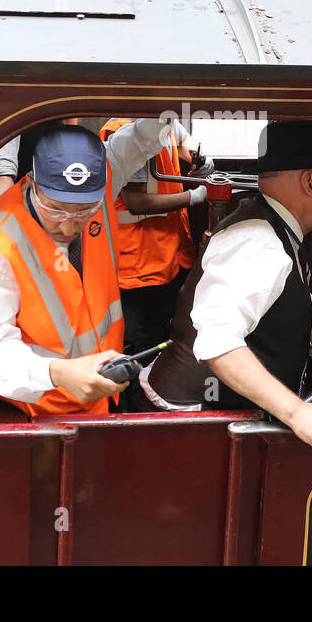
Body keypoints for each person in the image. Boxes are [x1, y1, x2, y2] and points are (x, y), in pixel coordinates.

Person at [144, 120, 312, 454]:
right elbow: (217, 341)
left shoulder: (274, 227)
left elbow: (277, 299)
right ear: (310, 182)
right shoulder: (257, 242)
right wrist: (298, 412)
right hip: (195, 428)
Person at [0, 119, 176, 416]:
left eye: (84, 213)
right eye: (54, 209)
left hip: (105, 393)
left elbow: (144, 135)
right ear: (32, 183)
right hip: (43, 410)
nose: (67, 225)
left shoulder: (103, 182)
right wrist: (58, 373)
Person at [98, 118, 204, 407]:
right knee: (137, 350)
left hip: (166, 254)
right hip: (138, 264)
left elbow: (183, 139)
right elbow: (137, 201)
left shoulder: (162, 117)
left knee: (159, 341)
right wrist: (196, 195)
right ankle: (130, 415)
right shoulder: (125, 130)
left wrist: (198, 156)